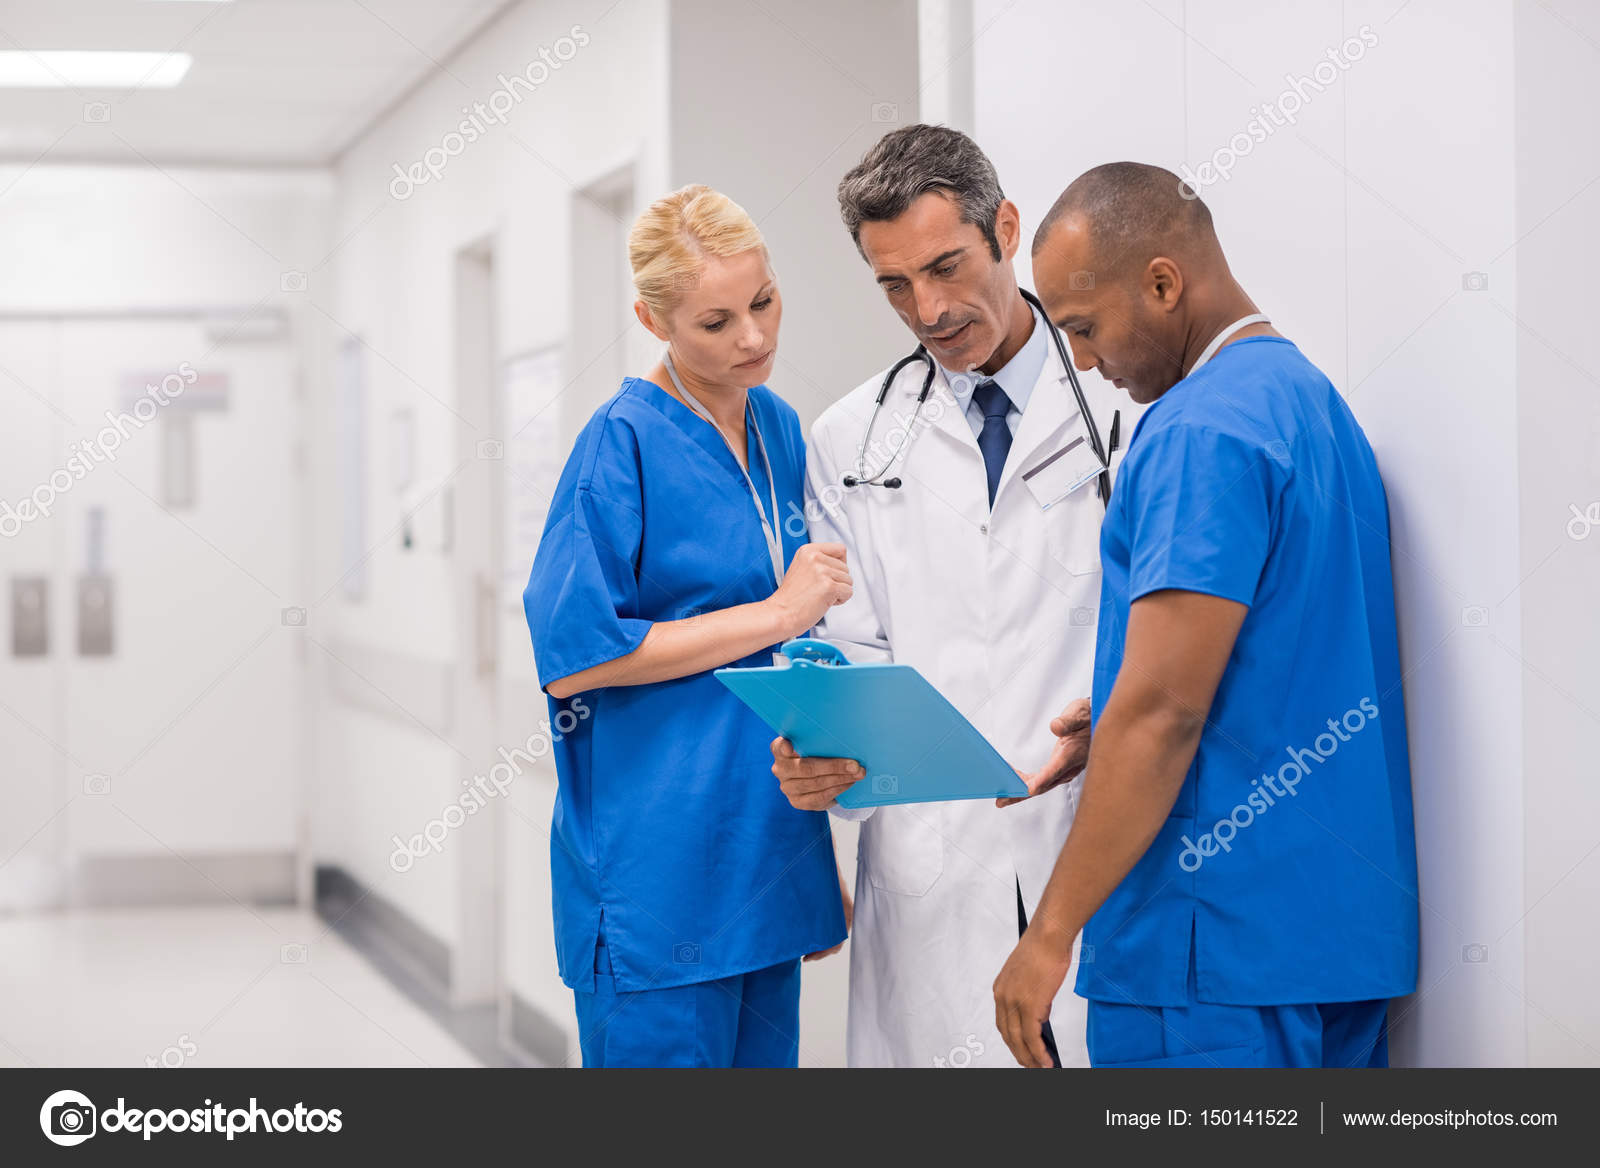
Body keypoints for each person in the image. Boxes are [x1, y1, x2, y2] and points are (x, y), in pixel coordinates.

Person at [992, 162, 1419, 1068]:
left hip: (1207, 961)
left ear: (1161, 282)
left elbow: (1164, 711)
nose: (1084, 361)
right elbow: (1271, 660)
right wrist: (1110, 723)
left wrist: (1049, 935)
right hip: (1330, 947)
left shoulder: (1196, 430)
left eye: (1083, 326)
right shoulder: (1309, 403)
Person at [769, 125, 1116, 1067]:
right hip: (933, 868)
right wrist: (826, 755)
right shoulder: (851, 439)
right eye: (894, 285)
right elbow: (852, 649)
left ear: (1004, 227)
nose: (927, 307)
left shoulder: (1124, 405)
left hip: (1091, 849)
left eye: (946, 265)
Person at [523, 184, 851, 1068]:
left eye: (763, 301)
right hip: (656, 879)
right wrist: (777, 609)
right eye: (715, 323)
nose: (753, 337)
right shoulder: (619, 444)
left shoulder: (780, 429)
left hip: (763, 859)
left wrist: (807, 863)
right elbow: (576, 657)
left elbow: (790, 660)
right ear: (653, 319)